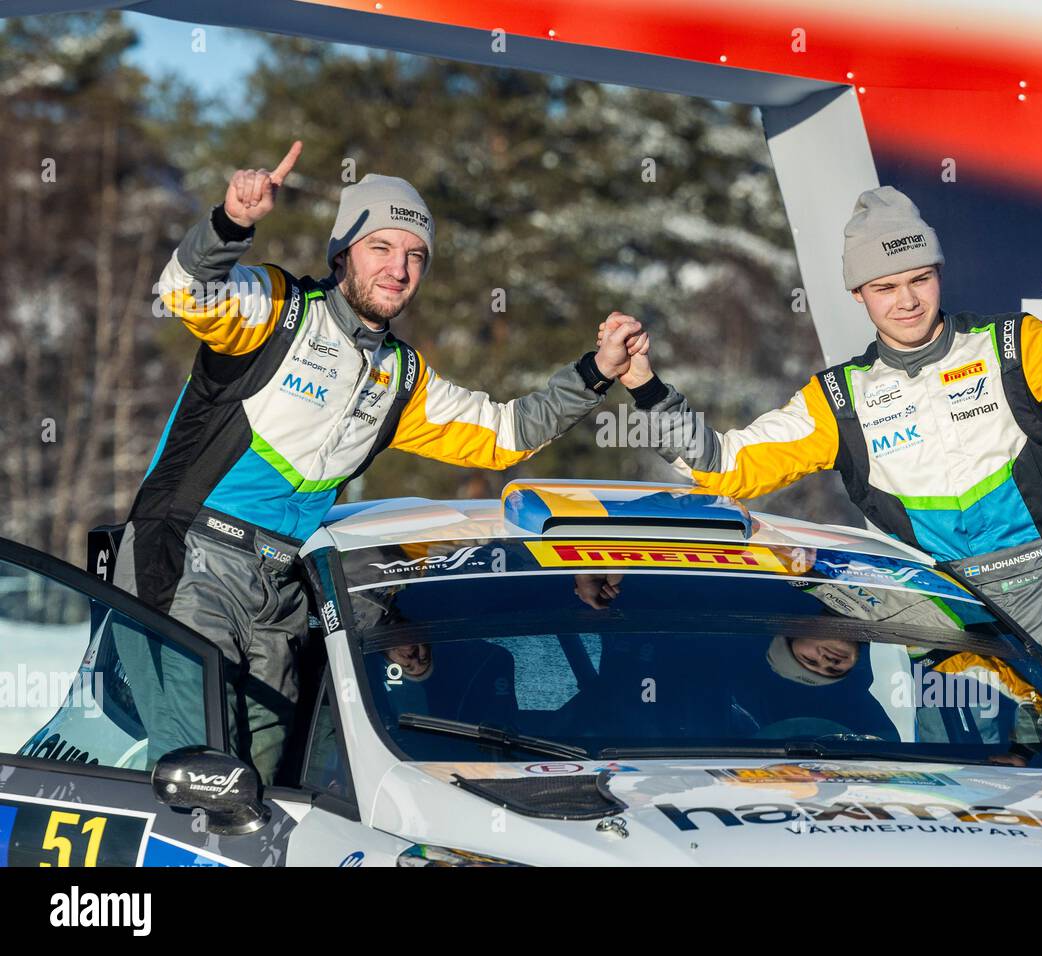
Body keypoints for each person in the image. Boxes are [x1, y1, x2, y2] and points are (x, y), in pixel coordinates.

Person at [113, 142, 648, 782]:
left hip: (281, 586)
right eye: (381, 248)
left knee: (263, 789)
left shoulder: (401, 377)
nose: (399, 268)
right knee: (200, 783)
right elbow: (186, 293)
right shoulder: (277, 310)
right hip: (188, 559)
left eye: (414, 256)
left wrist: (596, 373)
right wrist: (232, 223)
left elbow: (504, 434)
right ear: (343, 255)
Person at [603, 185, 1042, 713]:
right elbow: (727, 468)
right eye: (885, 286)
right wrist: (645, 387)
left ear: (938, 273)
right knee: (966, 794)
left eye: (919, 279)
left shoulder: (1015, 344)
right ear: (858, 293)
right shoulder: (838, 397)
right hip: (935, 610)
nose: (906, 300)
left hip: (1041, 593)